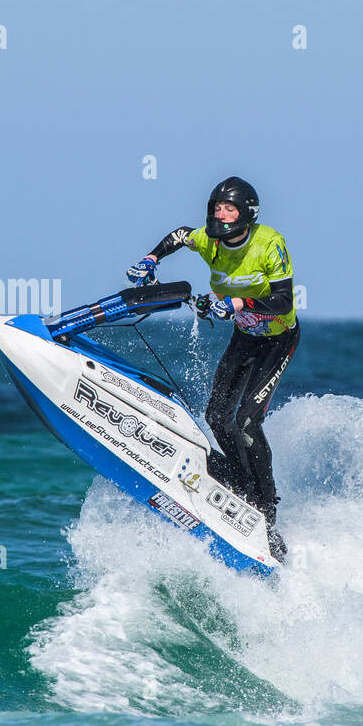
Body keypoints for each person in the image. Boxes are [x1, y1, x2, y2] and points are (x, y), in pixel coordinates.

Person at [125, 177, 298, 560]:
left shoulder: (270, 243)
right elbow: (179, 235)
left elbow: (284, 301)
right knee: (218, 417)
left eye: (229, 209)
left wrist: (236, 305)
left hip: (277, 339)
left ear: (246, 214)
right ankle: (242, 484)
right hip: (245, 340)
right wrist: (152, 258)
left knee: (247, 424)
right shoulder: (209, 241)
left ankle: (267, 510)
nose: (220, 215)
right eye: (217, 207)